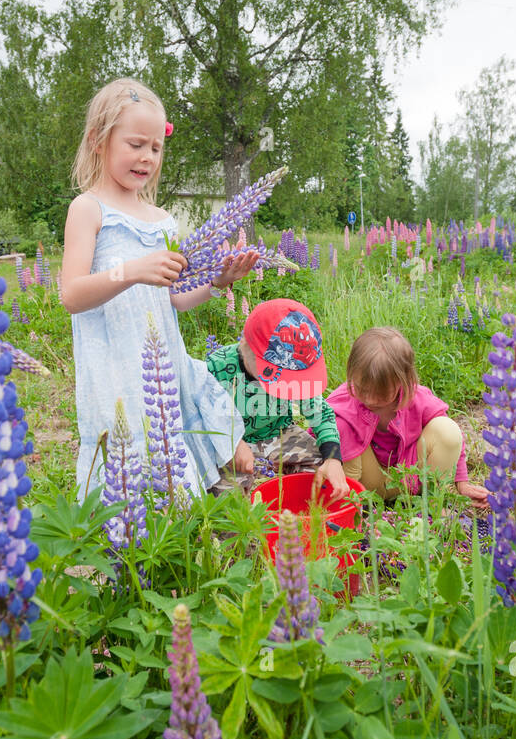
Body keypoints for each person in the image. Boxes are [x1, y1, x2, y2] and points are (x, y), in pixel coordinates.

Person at [59, 78, 257, 500]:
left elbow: (174, 299)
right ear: (98, 140)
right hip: (115, 367)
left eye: (155, 148)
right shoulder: (88, 209)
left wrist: (218, 283)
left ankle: (175, 549)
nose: (147, 157)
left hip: (161, 362)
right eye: (135, 144)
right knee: (127, 469)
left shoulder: (161, 219)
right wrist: (130, 271)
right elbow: (71, 295)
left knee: (170, 468)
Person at [328, 326, 489, 509]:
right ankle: (344, 504)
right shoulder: (344, 399)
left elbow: (453, 440)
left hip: (408, 477)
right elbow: (320, 431)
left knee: (447, 430)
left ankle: (432, 500)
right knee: (338, 424)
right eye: (363, 390)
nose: (370, 399)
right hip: (366, 482)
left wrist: (462, 482)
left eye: (381, 394)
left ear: (403, 380)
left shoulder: (417, 399)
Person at [207, 298, 349, 497]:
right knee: (226, 494)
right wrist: (232, 443)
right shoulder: (216, 367)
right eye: (282, 376)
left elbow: (319, 412)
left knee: (321, 472)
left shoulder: (296, 363)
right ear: (250, 352)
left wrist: (332, 458)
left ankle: (301, 505)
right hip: (234, 444)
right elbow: (202, 413)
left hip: (280, 433)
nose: (288, 382)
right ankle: (253, 512)